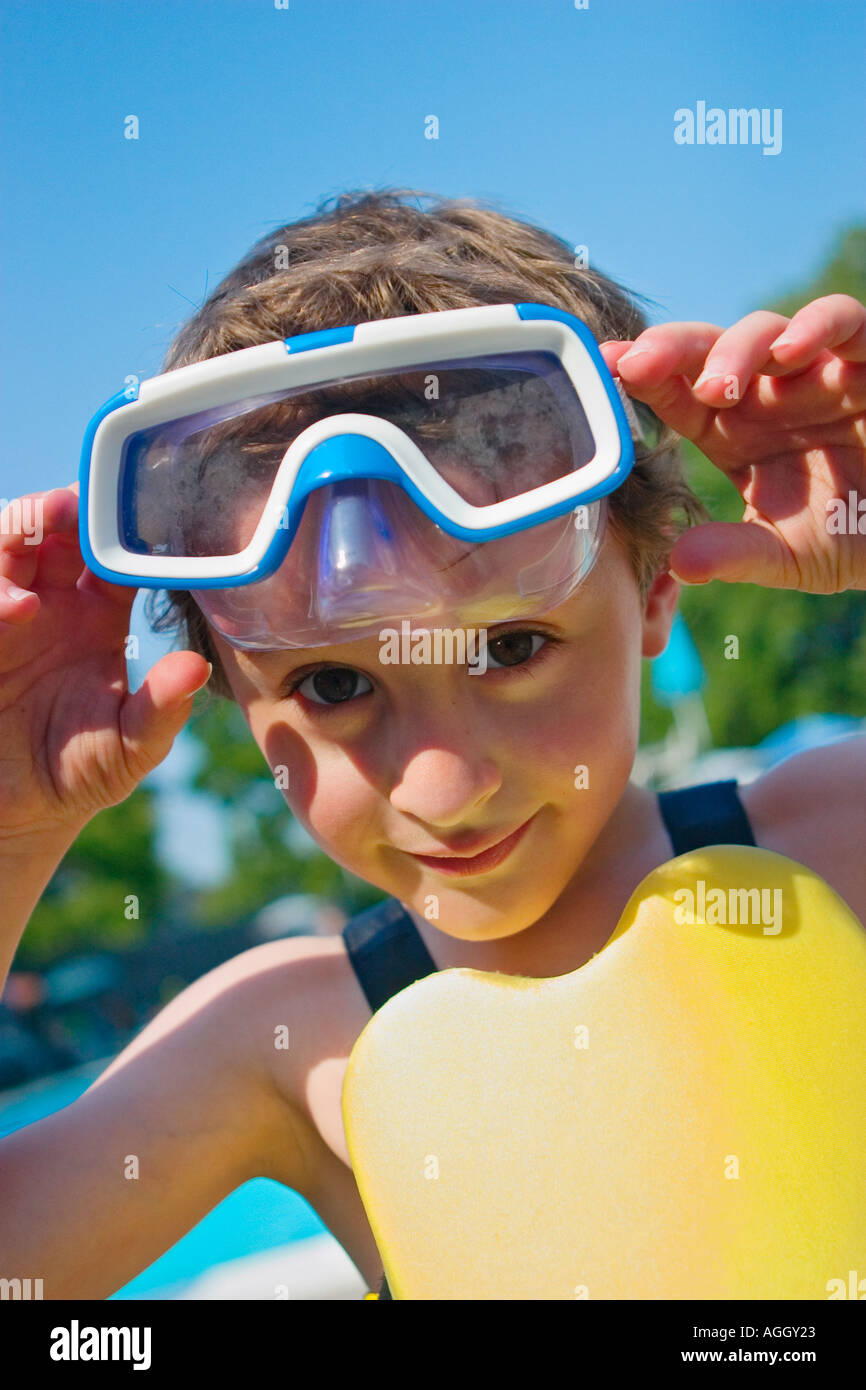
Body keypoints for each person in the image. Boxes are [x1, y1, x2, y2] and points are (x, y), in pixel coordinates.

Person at [0, 189, 864, 1300]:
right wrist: (12, 834)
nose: (444, 786)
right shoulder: (280, 1038)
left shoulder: (835, 846)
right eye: (331, 682)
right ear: (226, 683)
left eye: (512, 645)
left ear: (653, 588)